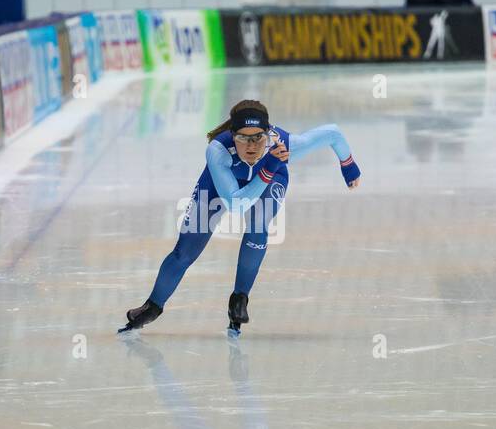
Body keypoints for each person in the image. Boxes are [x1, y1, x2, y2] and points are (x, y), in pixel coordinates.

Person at [120, 99, 361, 336]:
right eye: (243, 138)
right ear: (232, 135)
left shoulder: (284, 145)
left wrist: (348, 166)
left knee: (259, 222)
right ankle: (153, 306)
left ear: (268, 135)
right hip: (222, 186)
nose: (252, 145)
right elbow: (236, 204)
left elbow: (333, 133)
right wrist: (268, 167)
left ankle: (240, 298)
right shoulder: (218, 151)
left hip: (271, 178)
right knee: (185, 251)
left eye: (258, 137)